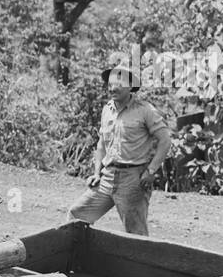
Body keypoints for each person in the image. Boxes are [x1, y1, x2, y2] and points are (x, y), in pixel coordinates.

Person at [66, 62, 172, 236]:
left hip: (133, 180)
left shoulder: (145, 111)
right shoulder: (107, 110)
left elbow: (165, 141)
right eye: (111, 84)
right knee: (77, 215)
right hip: (107, 177)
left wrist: (151, 170)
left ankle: (139, 264)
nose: (113, 88)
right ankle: (79, 260)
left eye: (119, 83)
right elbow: (101, 144)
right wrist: (96, 173)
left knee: (135, 233)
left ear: (130, 86)